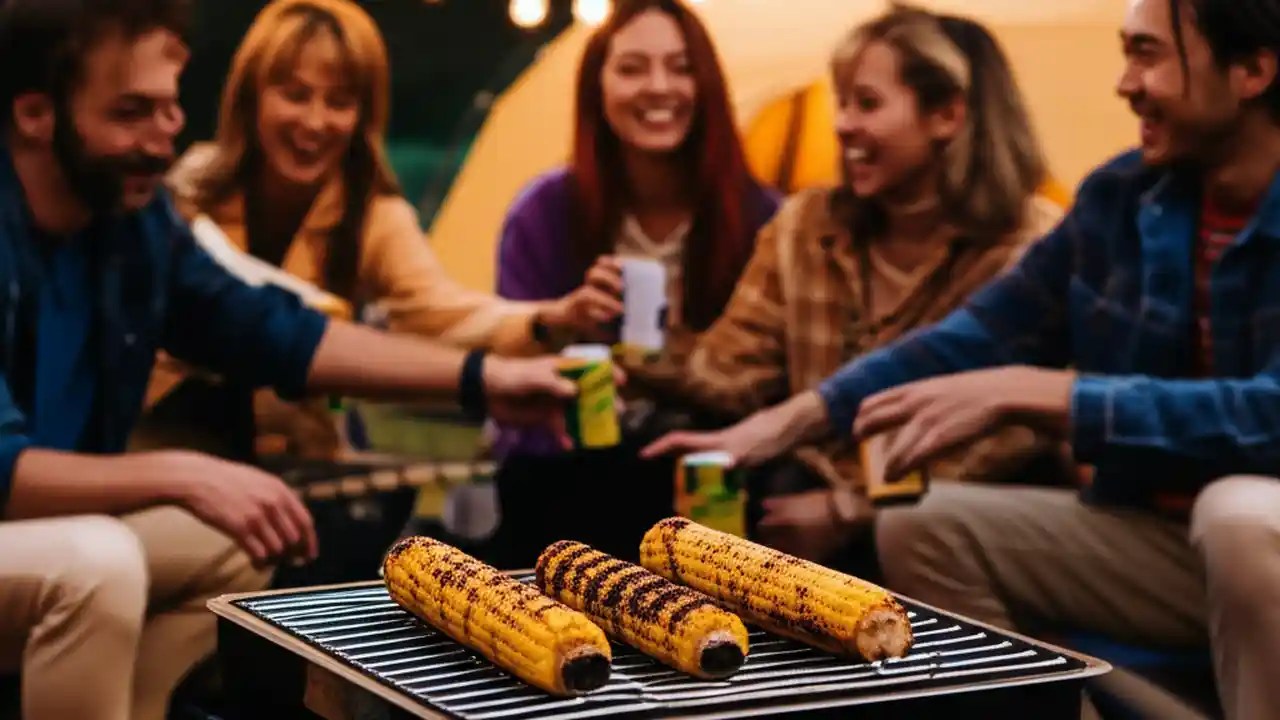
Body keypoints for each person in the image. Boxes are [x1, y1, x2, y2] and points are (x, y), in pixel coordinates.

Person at [648, 0, 1280, 716]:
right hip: (1161, 541)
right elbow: (974, 337)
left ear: (1252, 70)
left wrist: (1049, 394)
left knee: (1238, 513)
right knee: (918, 524)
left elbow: (1266, 412)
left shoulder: (1025, 223)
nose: (1124, 83)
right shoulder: (1125, 197)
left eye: (1148, 55)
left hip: (1253, 535)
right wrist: (788, 421)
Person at [0, 1, 583, 718]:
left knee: (243, 535)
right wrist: (185, 471)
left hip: (53, 526)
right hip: (44, 526)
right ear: (34, 113)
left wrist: (481, 380)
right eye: (131, 112)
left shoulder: (130, 222)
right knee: (99, 562)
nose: (163, 135)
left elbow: (277, 334)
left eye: (170, 107)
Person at [134, 0, 609, 461]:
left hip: (296, 455)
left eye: (339, 102)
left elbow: (439, 312)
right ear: (250, 96)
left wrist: (544, 320)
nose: (315, 122)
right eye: (295, 95)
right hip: (161, 440)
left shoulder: (370, 214)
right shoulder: (188, 191)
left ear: (364, 116)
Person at [678, 7, 1063, 568]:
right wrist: (633, 353)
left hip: (950, 516)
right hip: (794, 495)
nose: (841, 124)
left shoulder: (1031, 244)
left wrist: (850, 508)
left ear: (946, 116)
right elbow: (727, 374)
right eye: (842, 102)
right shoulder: (809, 223)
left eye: (867, 103)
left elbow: (1007, 441)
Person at [490, 0, 779, 567]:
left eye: (681, 67)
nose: (659, 87)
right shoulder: (544, 212)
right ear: (596, 87)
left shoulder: (759, 217)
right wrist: (567, 322)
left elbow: (774, 383)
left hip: (714, 468)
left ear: (707, 85)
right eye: (632, 68)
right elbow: (508, 364)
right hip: (570, 471)